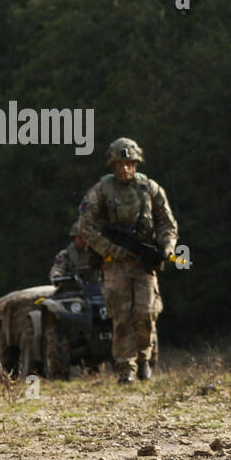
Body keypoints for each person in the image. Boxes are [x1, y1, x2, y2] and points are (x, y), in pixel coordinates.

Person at [76, 137, 178, 384]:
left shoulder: (150, 188)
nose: (124, 168)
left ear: (136, 163)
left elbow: (167, 223)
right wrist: (110, 248)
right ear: (113, 164)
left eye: (129, 163)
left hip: (143, 264)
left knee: (145, 313)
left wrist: (166, 247)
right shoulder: (102, 190)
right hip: (115, 264)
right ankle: (125, 368)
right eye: (120, 163)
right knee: (121, 316)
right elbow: (85, 225)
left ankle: (145, 360)